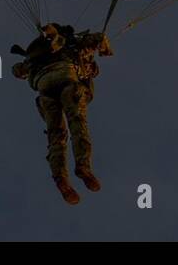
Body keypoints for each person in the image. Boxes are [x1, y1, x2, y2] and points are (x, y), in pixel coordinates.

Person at [11, 23, 113, 205]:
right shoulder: (74, 45)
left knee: (56, 135)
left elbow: (17, 70)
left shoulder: (35, 56)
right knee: (77, 121)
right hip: (66, 78)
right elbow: (99, 38)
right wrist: (104, 48)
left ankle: (60, 177)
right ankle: (83, 166)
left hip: (44, 88)